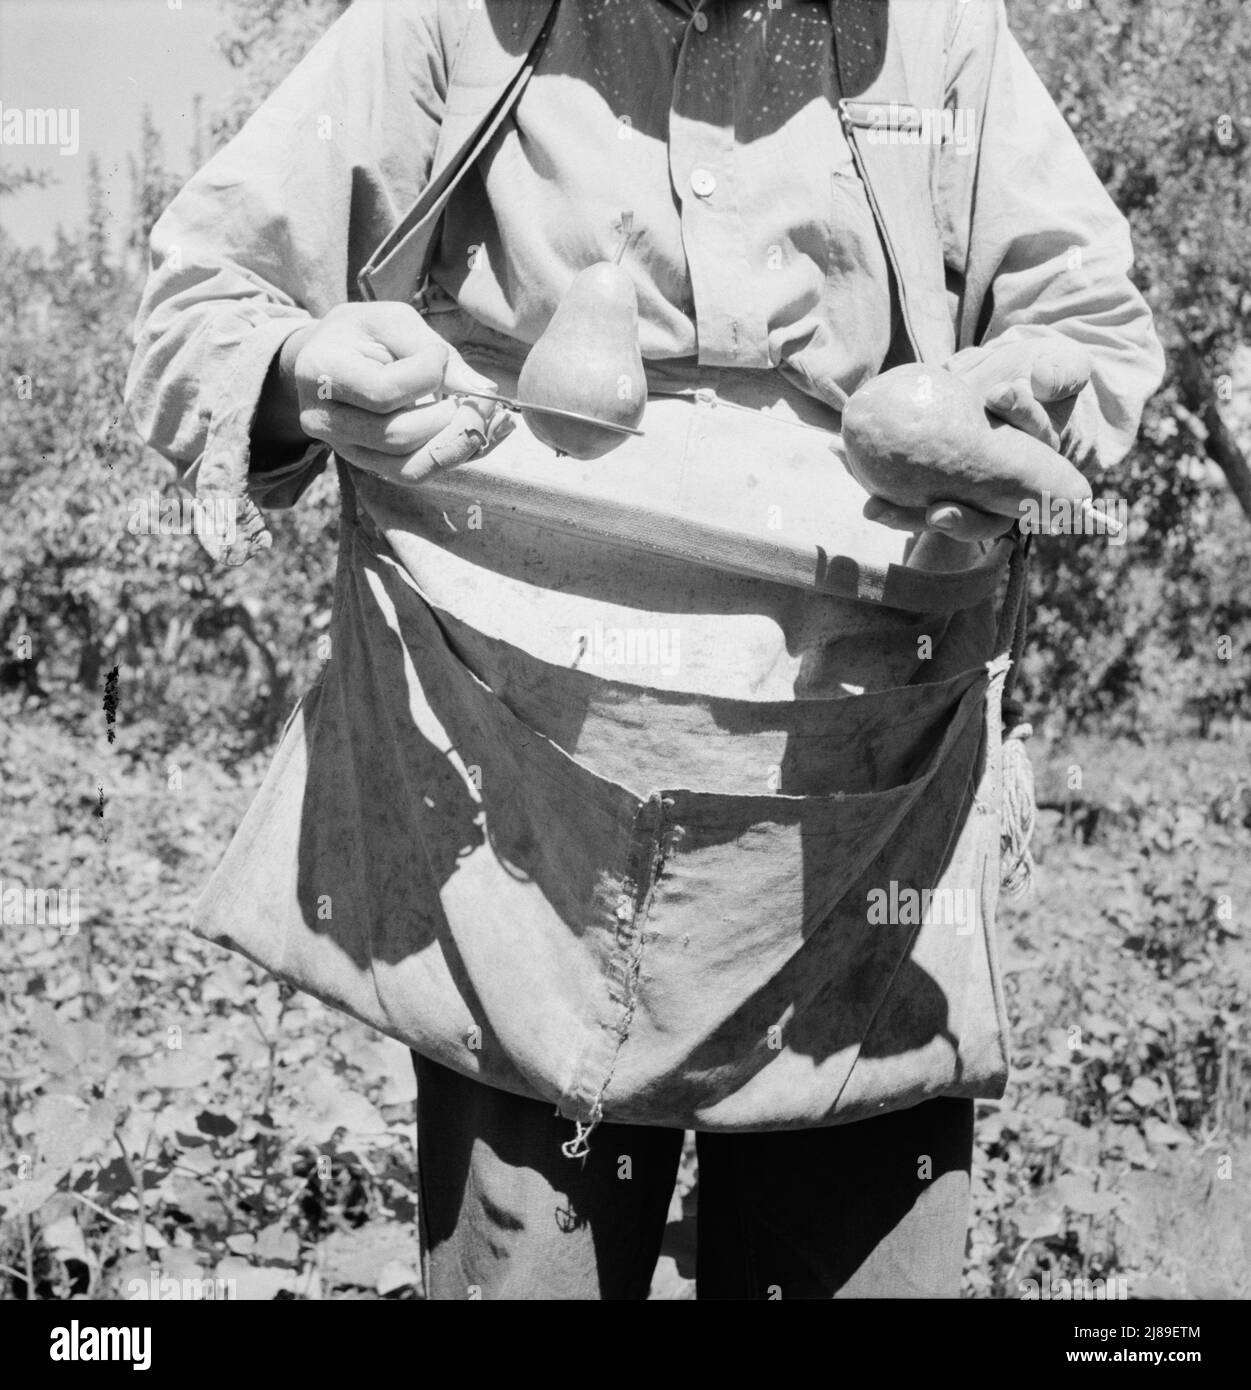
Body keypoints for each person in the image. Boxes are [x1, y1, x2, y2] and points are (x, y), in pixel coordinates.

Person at [125, 0, 1163, 1300]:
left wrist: (1017, 384)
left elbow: (1098, 328)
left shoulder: (936, 37)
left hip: (858, 846)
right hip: (516, 841)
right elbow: (204, 297)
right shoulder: (452, 23)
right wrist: (292, 367)